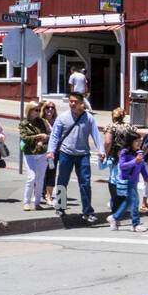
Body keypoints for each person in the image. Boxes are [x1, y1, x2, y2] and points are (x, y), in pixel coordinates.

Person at [46, 92, 104, 224]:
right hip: (66, 153)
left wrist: (100, 150)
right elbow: (55, 136)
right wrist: (51, 151)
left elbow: (95, 135)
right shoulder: (62, 117)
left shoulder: (89, 118)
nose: (72, 104)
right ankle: (60, 207)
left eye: (75, 102)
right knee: (62, 181)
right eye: (70, 101)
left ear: (81, 103)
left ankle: (87, 211)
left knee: (85, 183)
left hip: (83, 154)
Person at [110, 145, 148, 232]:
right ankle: (135, 224)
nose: (139, 143)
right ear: (131, 141)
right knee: (135, 201)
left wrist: (146, 178)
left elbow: (142, 167)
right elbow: (122, 166)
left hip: (134, 180)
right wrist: (134, 161)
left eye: (140, 141)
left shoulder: (139, 152)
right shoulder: (124, 152)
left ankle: (114, 217)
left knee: (129, 201)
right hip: (127, 180)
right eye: (137, 141)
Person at [18, 101, 51, 210]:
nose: (38, 112)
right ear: (29, 110)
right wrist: (38, 136)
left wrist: (45, 138)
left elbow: (50, 134)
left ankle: (37, 202)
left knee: (40, 178)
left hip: (42, 152)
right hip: (29, 153)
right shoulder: (24, 123)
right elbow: (24, 138)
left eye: (39, 110)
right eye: (35, 110)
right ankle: (26, 202)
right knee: (31, 177)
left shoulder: (42, 122)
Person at [39, 100, 58, 208]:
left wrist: (48, 137)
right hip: (42, 152)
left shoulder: (57, 121)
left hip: (54, 152)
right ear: (44, 109)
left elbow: (59, 136)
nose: (50, 109)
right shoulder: (40, 121)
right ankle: (40, 193)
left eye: (52, 107)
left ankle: (48, 196)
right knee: (41, 174)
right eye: (47, 107)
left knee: (51, 173)